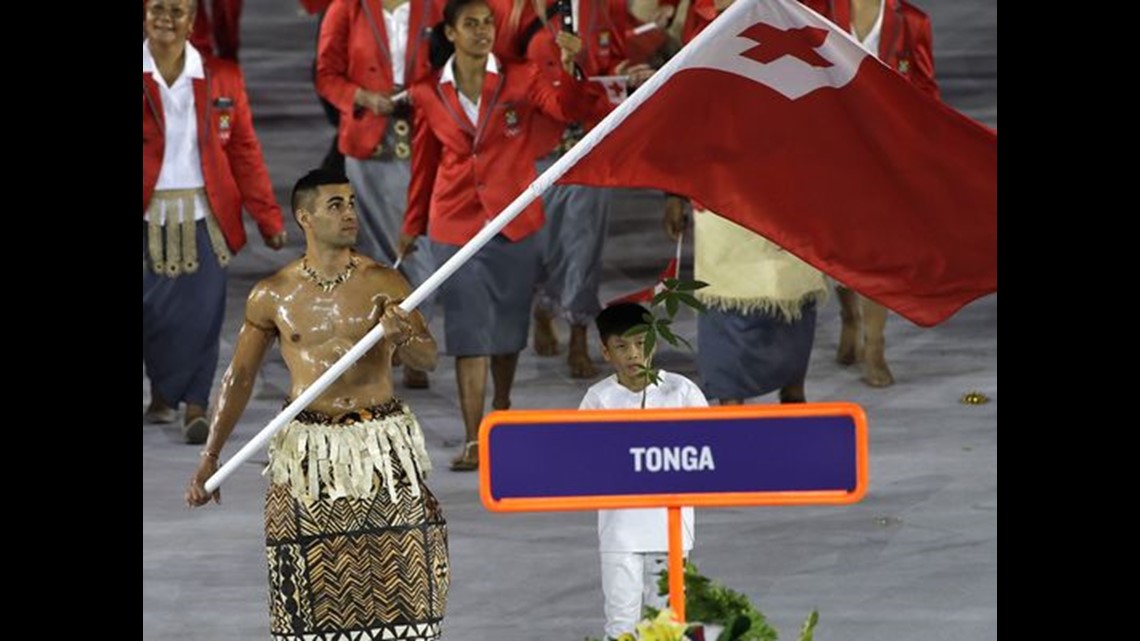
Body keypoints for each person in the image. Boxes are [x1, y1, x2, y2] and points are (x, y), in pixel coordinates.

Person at [186, 168, 449, 641]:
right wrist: (210, 456)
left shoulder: (384, 281)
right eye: (336, 205)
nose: (350, 213)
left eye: (351, 202)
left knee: (403, 580)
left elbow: (427, 359)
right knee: (307, 591)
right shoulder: (273, 294)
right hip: (308, 453)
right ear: (305, 218)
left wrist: (403, 333)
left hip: (379, 447)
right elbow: (240, 376)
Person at [398, 0, 608, 470]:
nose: (482, 31)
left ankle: (503, 412)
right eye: (470, 24)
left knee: (508, 333)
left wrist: (570, 67)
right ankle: (474, 439)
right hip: (455, 224)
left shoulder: (522, 74)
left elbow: (566, 109)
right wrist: (412, 226)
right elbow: (424, 163)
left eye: (487, 23)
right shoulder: (427, 92)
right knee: (469, 334)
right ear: (449, 33)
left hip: (513, 221)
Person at [662, 0, 827, 406]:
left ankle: (794, 393)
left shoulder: (793, 10)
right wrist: (673, 192)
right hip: (720, 180)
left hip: (788, 177)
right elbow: (685, 109)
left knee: (791, 289)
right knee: (725, 289)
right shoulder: (697, 19)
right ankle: (729, 402)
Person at [143, 0, 286, 444]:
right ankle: (164, 393)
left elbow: (243, 149)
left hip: (207, 215)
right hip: (147, 213)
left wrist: (268, 216)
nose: (167, 17)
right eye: (157, 7)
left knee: (203, 315)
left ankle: (196, 405)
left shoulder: (222, 76)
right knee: (154, 316)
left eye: (179, 9)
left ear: (192, 19)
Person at [490, 0, 652, 379]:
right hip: (534, 142)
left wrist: (625, 72)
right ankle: (543, 308)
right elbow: (497, 65)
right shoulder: (511, 9)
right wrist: (552, 79)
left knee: (583, 244)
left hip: (589, 144)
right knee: (541, 245)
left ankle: (580, 332)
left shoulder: (604, 5)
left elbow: (613, 59)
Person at [803, 0, 940, 387]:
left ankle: (875, 345)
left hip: (887, 152)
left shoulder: (913, 21)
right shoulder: (816, 10)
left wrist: (927, 150)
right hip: (829, 147)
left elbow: (926, 89)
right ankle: (849, 317)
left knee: (879, 252)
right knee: (839, 248)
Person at [316, 0, 447, 389]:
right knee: (372, 253)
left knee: (421, 250)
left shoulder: (437, 7)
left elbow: (453, 63)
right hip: (367, 145)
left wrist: (422, 93)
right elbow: (326, 74)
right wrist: (360, 96)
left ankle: (415, 339)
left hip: (427, 136)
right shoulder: (346, 8)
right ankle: (381, 348)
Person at [578, 302, 706, 639]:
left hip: (673, 530)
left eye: (640, 343)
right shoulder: (598, 399)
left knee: (668, 623)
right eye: (621, 346)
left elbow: (709, 449)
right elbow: (583, 459)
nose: (633, 354)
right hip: (619, 532)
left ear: (654, 342)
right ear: (606, 352)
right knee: (621, 624)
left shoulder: (682, 392)